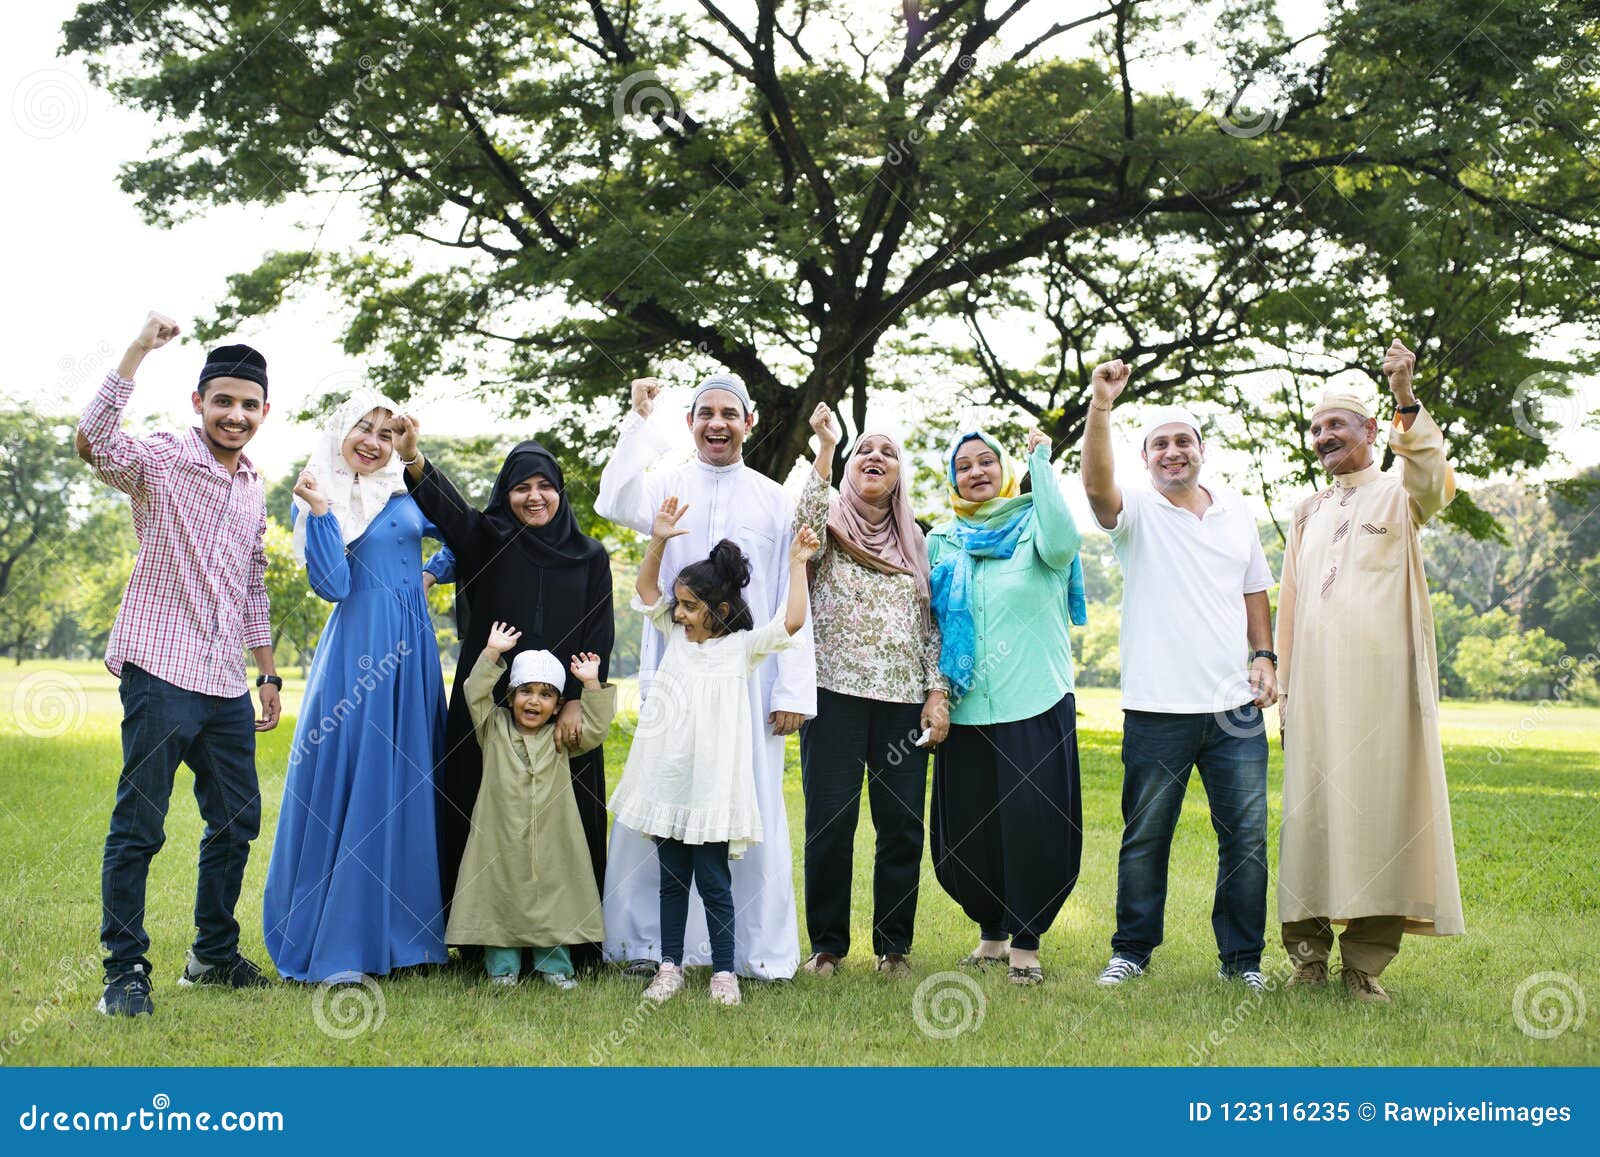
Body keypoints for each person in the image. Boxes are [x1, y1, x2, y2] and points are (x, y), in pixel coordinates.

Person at [75, 311, 279, 1016]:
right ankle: (125, 970)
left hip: (225, 681)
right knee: (141, 824)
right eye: (223, 401)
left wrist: (267, 673)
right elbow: (94, 442)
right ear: (199, 401)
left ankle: (212, 955)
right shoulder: (163, 457)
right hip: (160, 670)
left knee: (237, 819)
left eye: (248, 404)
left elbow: (251, 582)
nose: (235, 414)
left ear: (264, 411)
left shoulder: (253, 485)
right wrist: (137, 349)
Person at [595, 374, 816, 981]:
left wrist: (793, 689)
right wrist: (638, 421)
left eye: (729, 414)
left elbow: (792, 605)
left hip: (749, 682)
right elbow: (612, 501)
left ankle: (748, 953)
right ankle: (646, 946)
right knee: (662, 803)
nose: (717, 424)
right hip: (675, 676)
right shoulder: (665, 485)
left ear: (749, 423)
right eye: (705, 414)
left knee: (745, 808)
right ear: (690, 423)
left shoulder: (775, 499)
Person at [1079, 361, 1278, 991]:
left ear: (1201, 451)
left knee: (1245, 838)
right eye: (1160, 444)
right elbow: (1096, 487)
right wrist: (1102, 406)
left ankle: (1242, 962)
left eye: (1183, 441)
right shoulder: (1136, 511)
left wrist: (1265, 656)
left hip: (1234, 709)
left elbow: (1254, 591)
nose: (1173, 451)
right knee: (1146, 835)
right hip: (1157, 707)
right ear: (1145, 460)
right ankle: (1132, 951)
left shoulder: (1237, 513)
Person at [1276, 340, 1464, 1004]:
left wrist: (1405, 392)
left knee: (1383, 816)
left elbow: (1432, 476)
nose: (1324, 437)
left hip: (1384, 699)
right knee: (1310, 820)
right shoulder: (1307, 512)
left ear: (1372, 431)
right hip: (1315, 697)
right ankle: (1307, 961)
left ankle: (1364, 964)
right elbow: (1290, 606)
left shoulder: (1399, 495)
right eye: (1316, 428)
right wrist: (1284, 692)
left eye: (1337, 425)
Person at [393, 420, 614, 969]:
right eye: (521, 487)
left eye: (544, 486)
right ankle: (481, 938)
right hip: (489, 708)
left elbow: (599, 631)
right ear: (505, 493)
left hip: (561, 714)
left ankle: (569, 940)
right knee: (481, 815)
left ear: (559, 492)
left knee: (566, 826)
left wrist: (574, 701)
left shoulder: (589, 555)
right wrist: (415, 456)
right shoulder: (486, 539)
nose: (534, 497)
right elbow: (450, 512)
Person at [261, 391, 451, 982]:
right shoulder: (322, 493)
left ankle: (410, 939)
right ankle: (345, 938)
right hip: (359, 653)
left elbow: (466, 533)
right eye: (362, 429)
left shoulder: (405, 490)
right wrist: (320, 511)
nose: (373, 442)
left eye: (385, 433)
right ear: (340, 432)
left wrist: (429, 573)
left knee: (409, 779)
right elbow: (334, 585)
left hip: (413, 648)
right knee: (358, 776)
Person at [927, 427, 1087, 986]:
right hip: (966, 709)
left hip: (1035, 702)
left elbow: (1065, 542)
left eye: (986, 462)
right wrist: (936, 694)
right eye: (964, 465)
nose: (976, 472)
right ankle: (991, 933)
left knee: (1033, 825)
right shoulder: (941, 540)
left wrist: (1040, 461)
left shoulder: (1036, 527)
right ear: (953, 479)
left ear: (1005, 470)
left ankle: (1026, 941)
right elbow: (930, 622)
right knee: (967, 834)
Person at [795, 404, 947, 979]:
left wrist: (936, 692)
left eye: (888, 452)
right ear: (850, 466)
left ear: (900, 474)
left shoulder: (916, 540)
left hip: (902, 704)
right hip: (832, 696)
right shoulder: (828, 526)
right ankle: (827, 947)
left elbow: (931, 623)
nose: (876, 457)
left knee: (901, 826)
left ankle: (893, 948)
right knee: (830, 823)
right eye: (865, 450)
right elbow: (802, 521)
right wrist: (826, 447)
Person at [448, 627, 616, 990]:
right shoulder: (493, 728)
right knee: (500, 896)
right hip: (499, 840)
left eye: (546, 694)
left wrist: (590, 684)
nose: (534, 701)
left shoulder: (560, 737)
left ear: (558, 705)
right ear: (510, 697)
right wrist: (492, 652)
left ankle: (555, 966)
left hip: (551, 841)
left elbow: (596, 728)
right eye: (525, 691)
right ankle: (502, 968)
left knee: (552, 898)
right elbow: (474, 692)